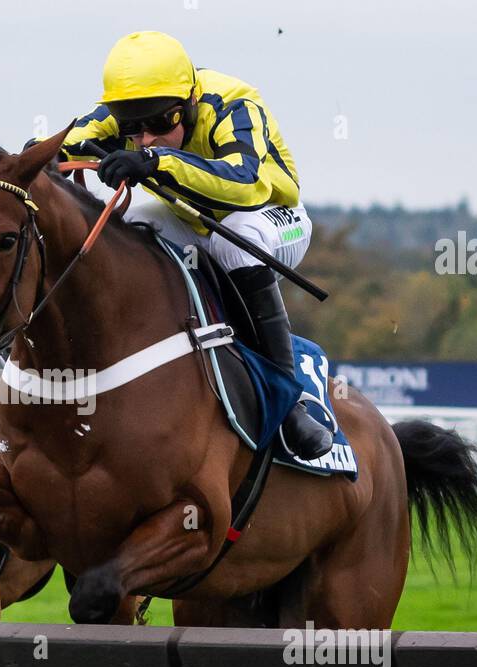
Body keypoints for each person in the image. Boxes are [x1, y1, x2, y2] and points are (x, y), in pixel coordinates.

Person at [59, 31, 331, 460]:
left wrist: (155, 162)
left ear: (187, 103)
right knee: (122, 227)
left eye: (161, 124)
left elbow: (245, 183)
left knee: (237, 241)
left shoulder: (234, 103)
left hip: (273, 217)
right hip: (193, 219)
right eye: (132, 128)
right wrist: (37, 161)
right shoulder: (134, 107)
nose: (146, 136)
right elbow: (65, 142)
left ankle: (287, 399)